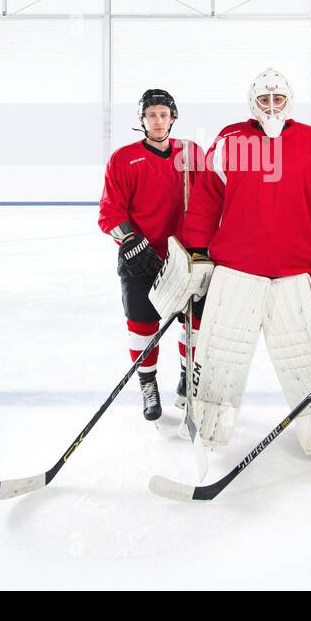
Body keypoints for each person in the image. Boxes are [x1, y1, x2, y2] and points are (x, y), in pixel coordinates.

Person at [149, 68, 311, 456]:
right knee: (220, 355)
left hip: (294, 270)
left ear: (289, 102)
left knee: (305, 357)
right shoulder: (230, 140)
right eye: (265, 99)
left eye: (279, 99)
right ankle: (207, 428)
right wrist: (197, 250)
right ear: (253, 103)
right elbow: (206, 199)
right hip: (235, 269)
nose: (272, 107)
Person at [97, 89, 205, 421]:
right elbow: (109, 212)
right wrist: (131, 242)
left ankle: (187, 376)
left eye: (163, 114)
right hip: (140, 258)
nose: (157, 121)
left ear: (172, 118)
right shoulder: (123, 159)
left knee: (193, 323)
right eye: (151, 115)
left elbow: (211, 198)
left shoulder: (191, 153)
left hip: (184, 259)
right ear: (142, 120)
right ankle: (148, 384)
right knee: (142, 326)